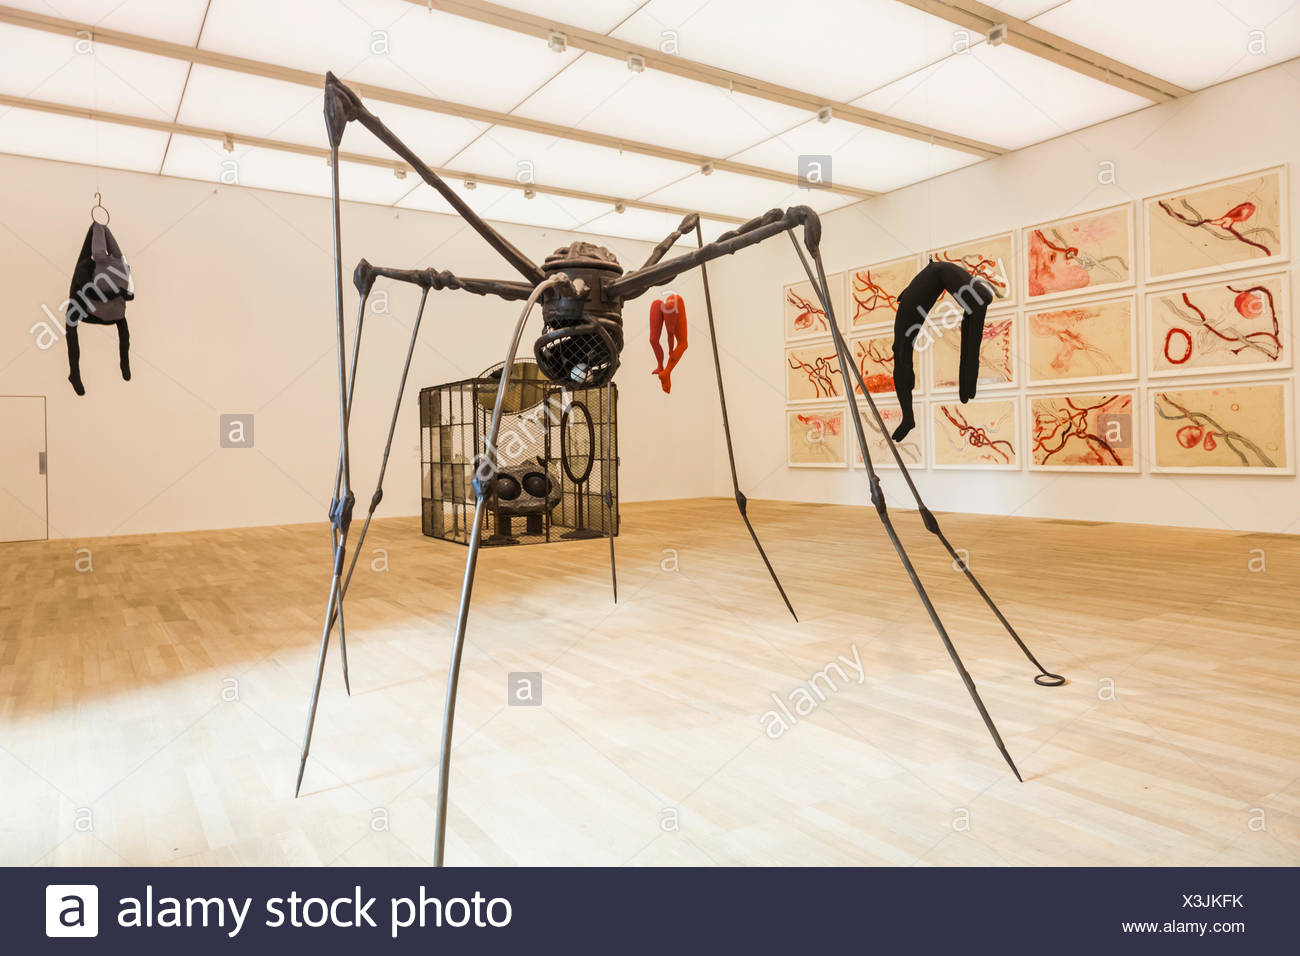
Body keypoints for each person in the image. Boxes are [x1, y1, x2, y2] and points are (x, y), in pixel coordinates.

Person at [889, 259, 1005, 441]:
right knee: (971, 318)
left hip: (938, 273)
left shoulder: (904, 329)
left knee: (901, 353)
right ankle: (966, 386)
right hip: (938, 274)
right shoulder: (916, 295)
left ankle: (909, 418)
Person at [648, 292, 688, 394]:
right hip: (675, 303)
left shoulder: (667, 306)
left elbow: (669, 335)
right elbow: (670, 335)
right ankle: (665, 372)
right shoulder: (672, 306)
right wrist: (670, 352)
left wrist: (670, 352)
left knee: (653, 340)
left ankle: (661, 368)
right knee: (683, 344)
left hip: (667, 303)